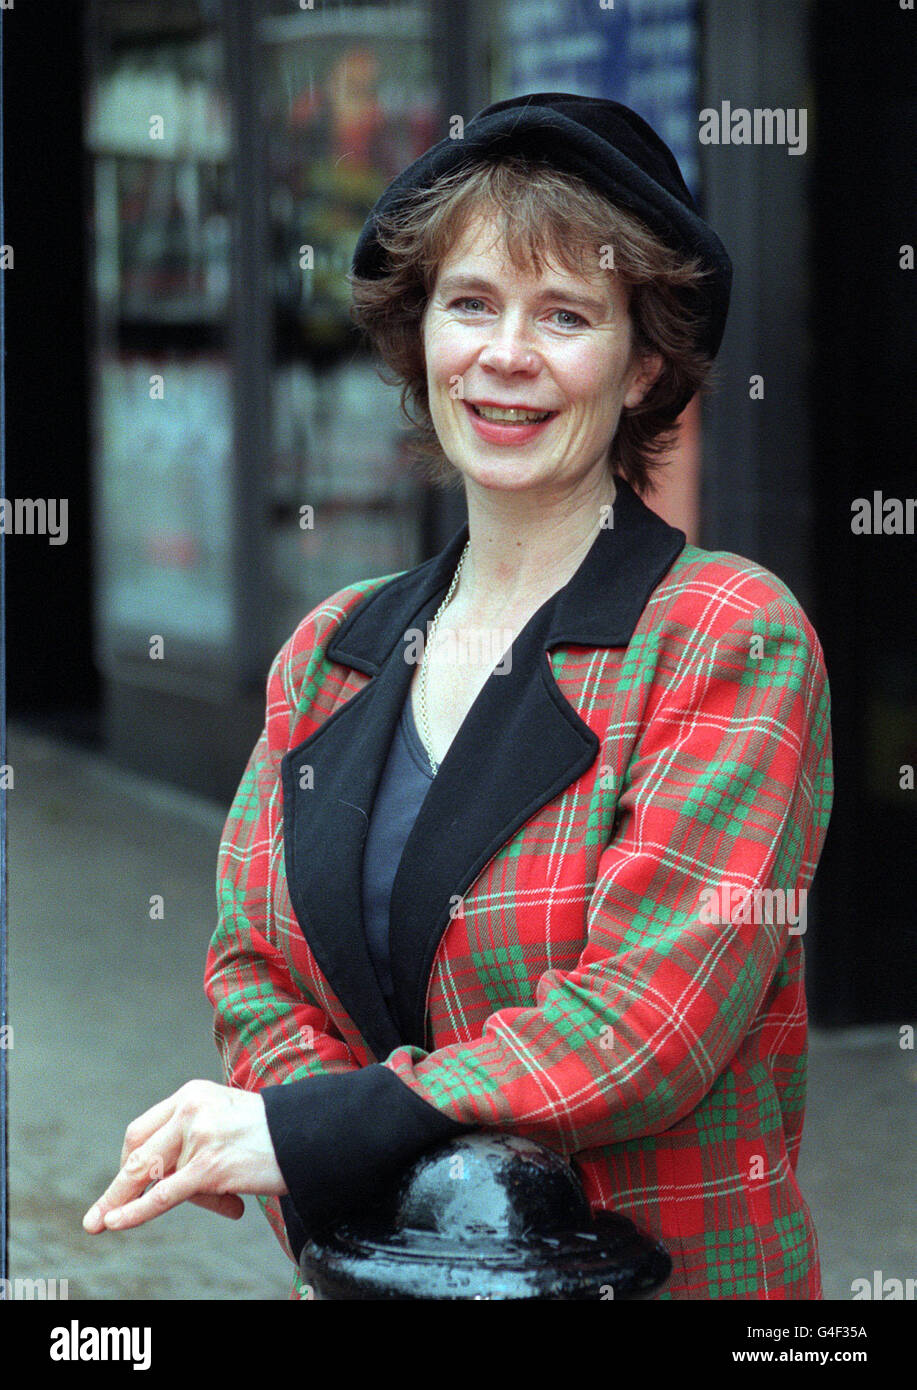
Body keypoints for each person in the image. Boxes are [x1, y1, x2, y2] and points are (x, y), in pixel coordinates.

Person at [83, 93, 833, 1300]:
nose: (504, 354)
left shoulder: (723, 634)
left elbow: (648, 1022)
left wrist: (320, 1133)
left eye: (564, 315)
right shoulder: (328, 651)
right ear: (419, 330)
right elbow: (253, 967)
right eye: (470, 303)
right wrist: (328, 1162)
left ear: (642, 364)